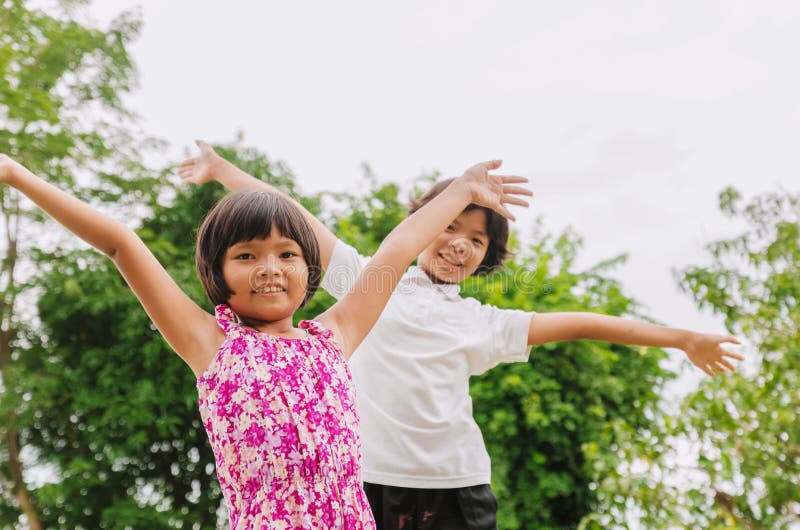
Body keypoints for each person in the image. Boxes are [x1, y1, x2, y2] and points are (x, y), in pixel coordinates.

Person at [179, 141, 744, 530]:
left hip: (458, 486)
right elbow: (288, 214)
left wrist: (681, 338)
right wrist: (223, 169)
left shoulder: (483, 322)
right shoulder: (370, 280)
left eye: (476, 240)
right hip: (371, 485)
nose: (459, 243)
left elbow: (580, 322)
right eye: (450, 225)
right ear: (425, 225)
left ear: (487, 257)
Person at [0, 152, 531, 530]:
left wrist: (462, 190)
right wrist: (16, 174)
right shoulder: (208, 343)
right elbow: (119, 243)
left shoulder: (333, 337)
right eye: (247, 255)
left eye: (287, 254)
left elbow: (398, 249)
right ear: (218, 273)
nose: (270, 269)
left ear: (309, 269)